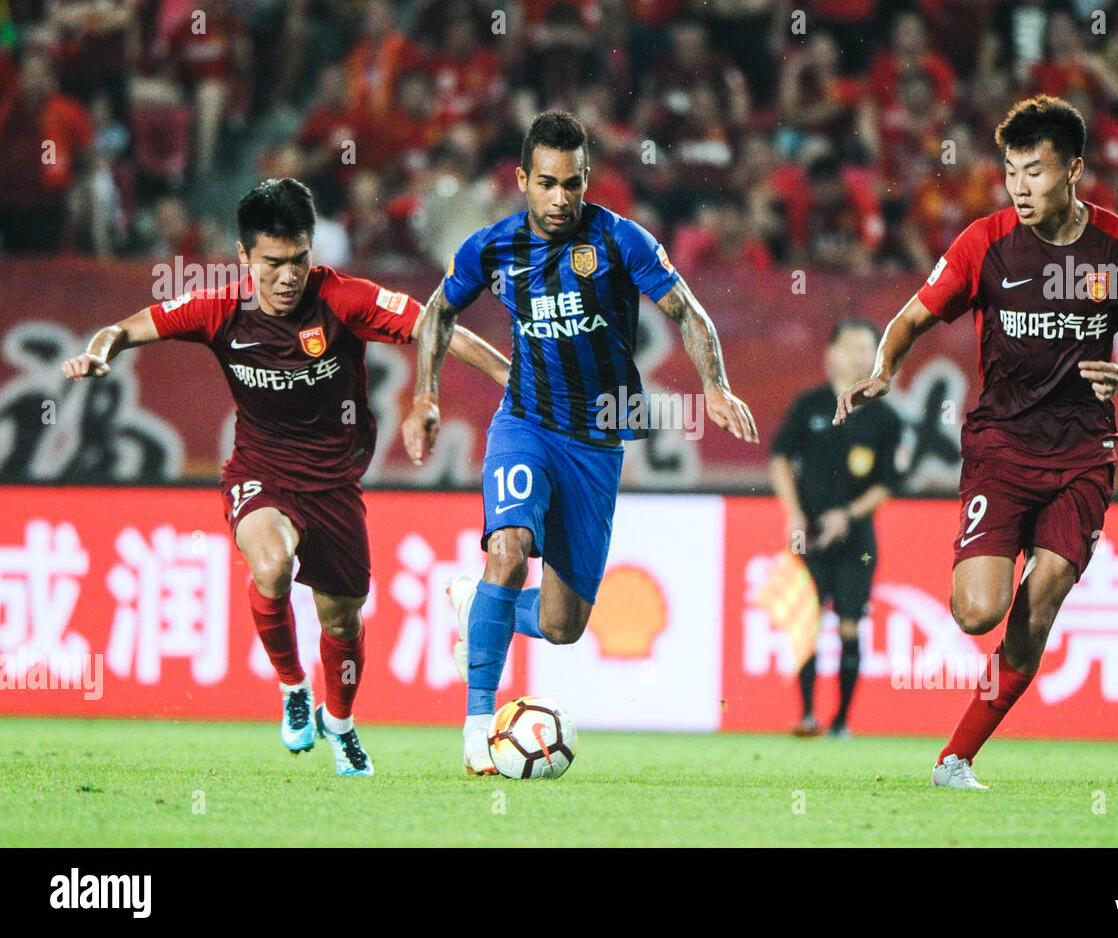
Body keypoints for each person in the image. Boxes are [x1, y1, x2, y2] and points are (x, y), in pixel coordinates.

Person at [61, 178, 509, 776]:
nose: (287, 276)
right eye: (273, 263)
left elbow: (435, 324)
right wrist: (99, 353)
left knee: (342, 617)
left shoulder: (344, 299)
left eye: (299, 260)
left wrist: (511, 376)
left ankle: (340, 722)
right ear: (245, 257)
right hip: (260, 470)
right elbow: (125, 329)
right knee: (271, 565)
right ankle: (293, 686)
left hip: (334, 483)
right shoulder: (217, 308)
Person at [402, 111, 759, 775]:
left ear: (587, 180)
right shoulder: (493, 247)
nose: (560, 197)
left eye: (572, 183)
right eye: (546, 183)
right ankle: (479, 725)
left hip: (596, 444)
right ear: (522, 181)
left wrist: (714, 384)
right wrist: (425, 394)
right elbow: (438, 312)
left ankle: (475, 606)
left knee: (565, 627)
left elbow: (686, 309)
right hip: (526, 426)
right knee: (507, 553)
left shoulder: (621, 241)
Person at [834, 95, 1118, 789]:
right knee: (977, 610)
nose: (1019, 186)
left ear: (1074, 170)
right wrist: (884, 369)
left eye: (1035, 172)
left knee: (1041, 597)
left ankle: (956, 757)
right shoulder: (985, 241)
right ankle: (998, 589)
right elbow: (913, 316)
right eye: (1011, 171)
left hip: (1083, 451)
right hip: (1003, 448)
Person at [772, 319, 902, 738]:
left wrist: (848, 515)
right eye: (851, 347)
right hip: (808, 534)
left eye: (869, 349)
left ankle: (842, 720)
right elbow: (779, 459)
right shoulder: (809, 405)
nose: (860, 355)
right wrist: (794, 514)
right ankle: (807, 714)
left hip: (856, 541)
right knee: (807, 622)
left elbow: (888, 483)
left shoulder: (885, 418)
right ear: (830, 355)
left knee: (849, 624)